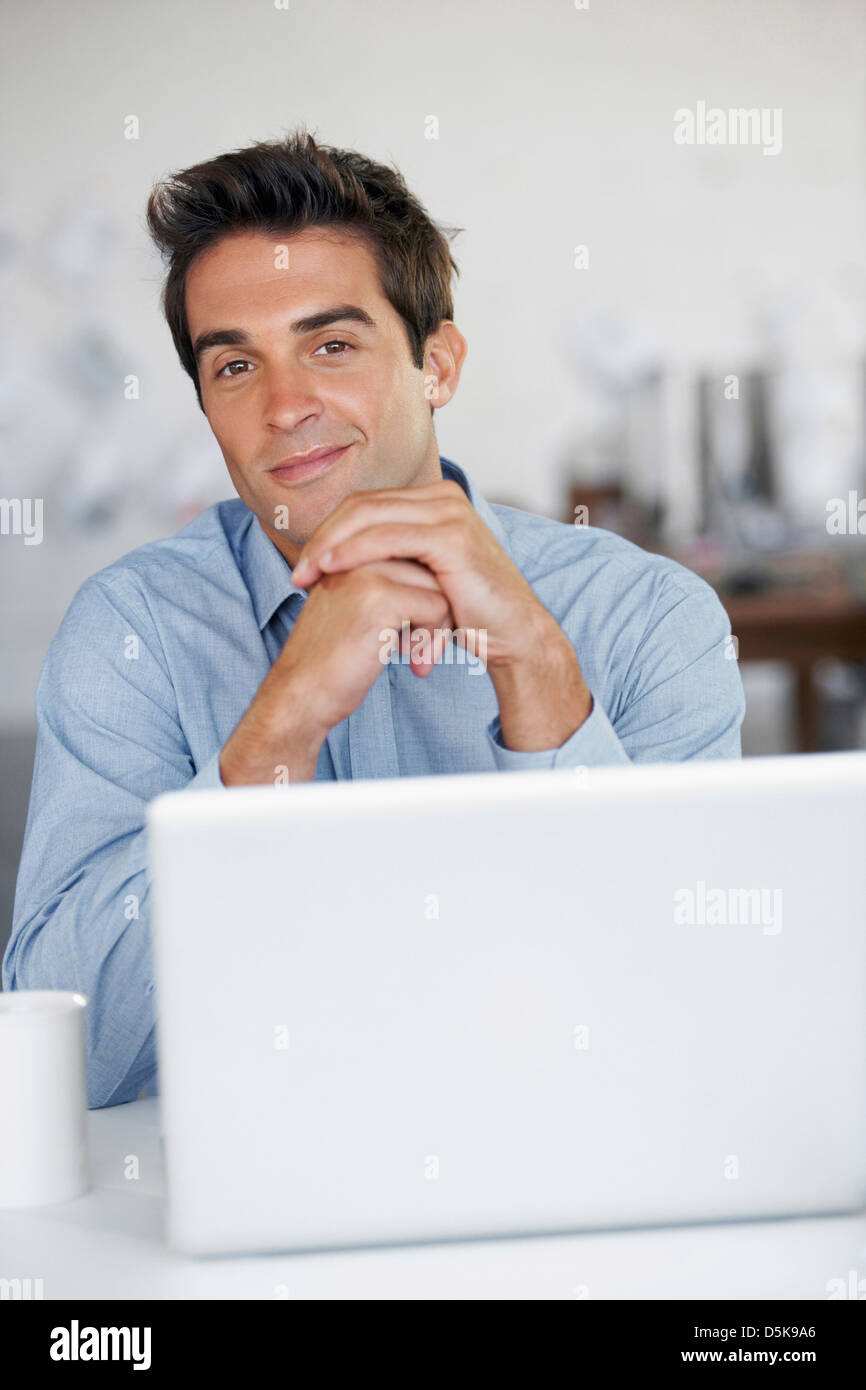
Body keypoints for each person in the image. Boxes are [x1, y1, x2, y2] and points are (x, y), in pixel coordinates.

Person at [3, 129, 745, 1107]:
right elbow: (64, 1063)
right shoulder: (131, 633)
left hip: (574, 1180)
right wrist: (279, 726)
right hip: (241, 1202)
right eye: (234, 368)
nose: (284, 405)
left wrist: (533, 665)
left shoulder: (649, 618)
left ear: (435, 365)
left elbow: (694, 1018)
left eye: (331, 344)